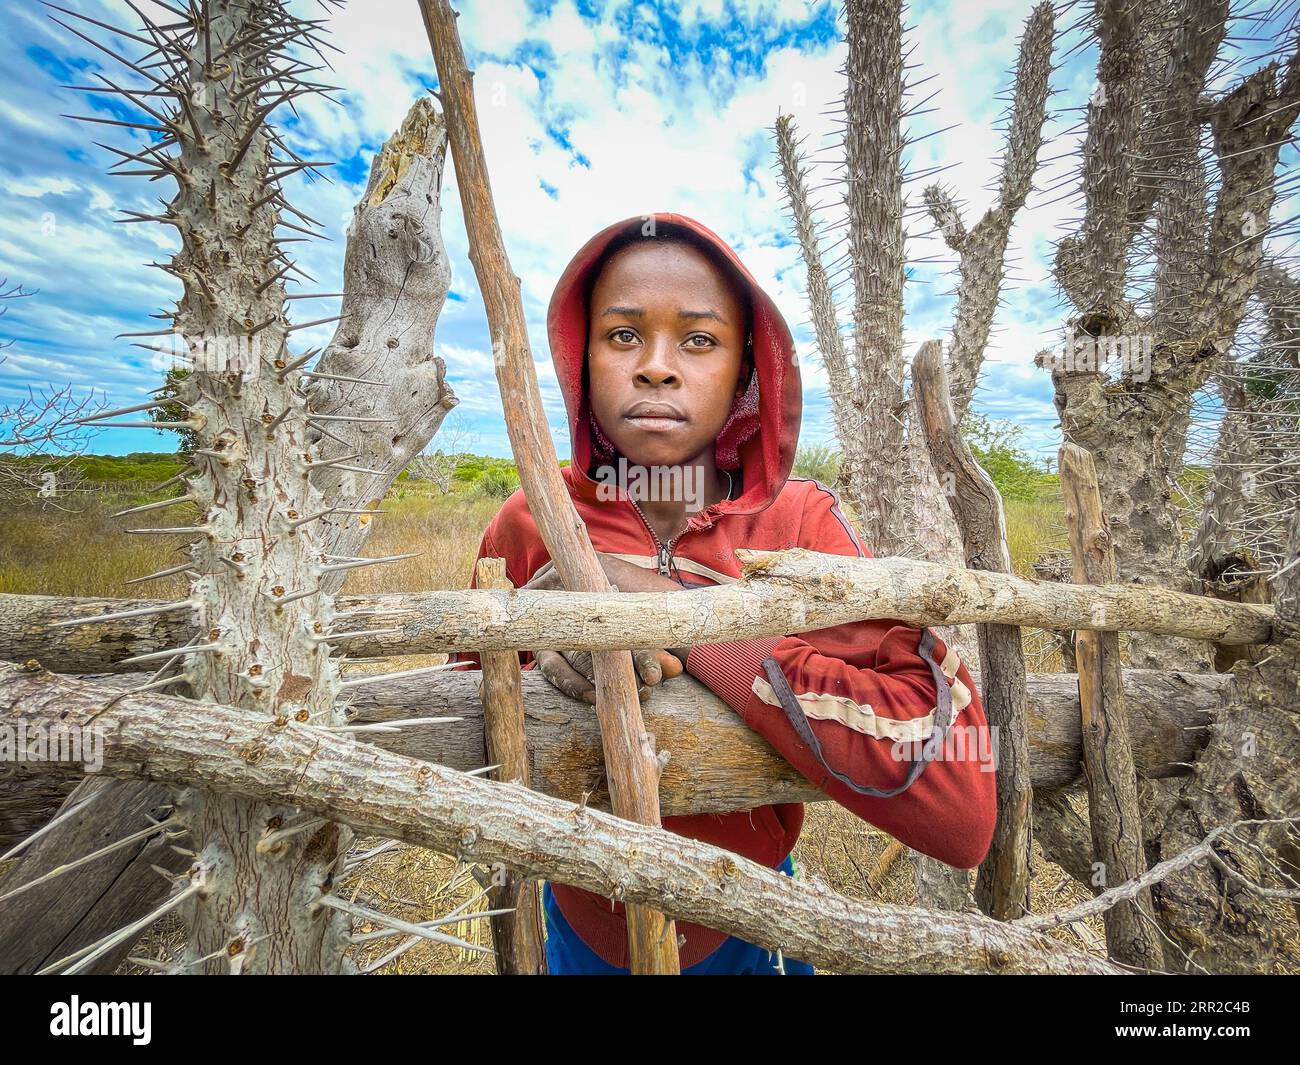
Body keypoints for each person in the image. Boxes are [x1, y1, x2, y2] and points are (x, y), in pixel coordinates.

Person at [449, 211, 997, 974]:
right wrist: (541, 644)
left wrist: (677, 616)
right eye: (622, 335)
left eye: (699, 339)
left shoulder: (803, 524)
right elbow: (462, 718)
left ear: (746, 373)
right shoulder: (534, 521)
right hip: (580, 925)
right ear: (582, 361)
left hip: (753, 925)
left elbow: (957, 803)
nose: (656, 367)